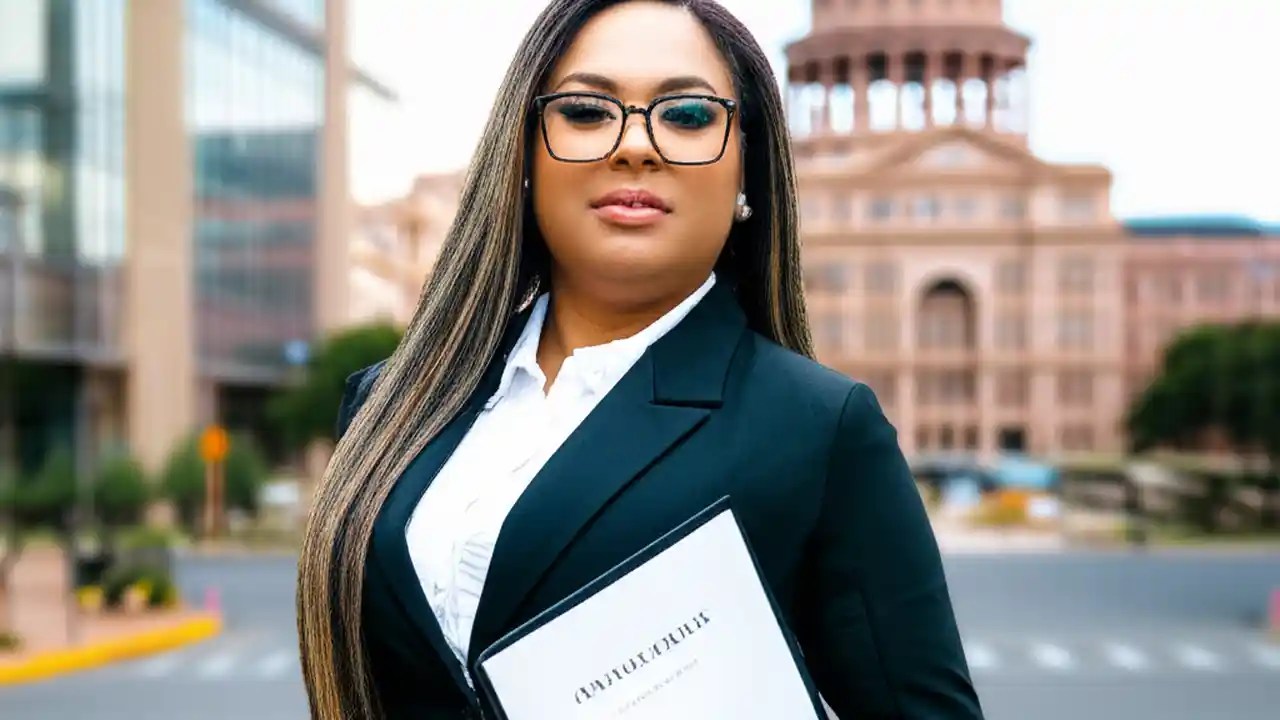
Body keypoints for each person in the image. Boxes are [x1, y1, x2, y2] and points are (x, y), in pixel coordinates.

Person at [297, 1, 983, 718]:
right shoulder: (394, 404)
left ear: (746, 167)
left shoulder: (817, 430)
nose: (635, 146)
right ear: (524, 154)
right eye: (588, 111)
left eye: (686, 115)